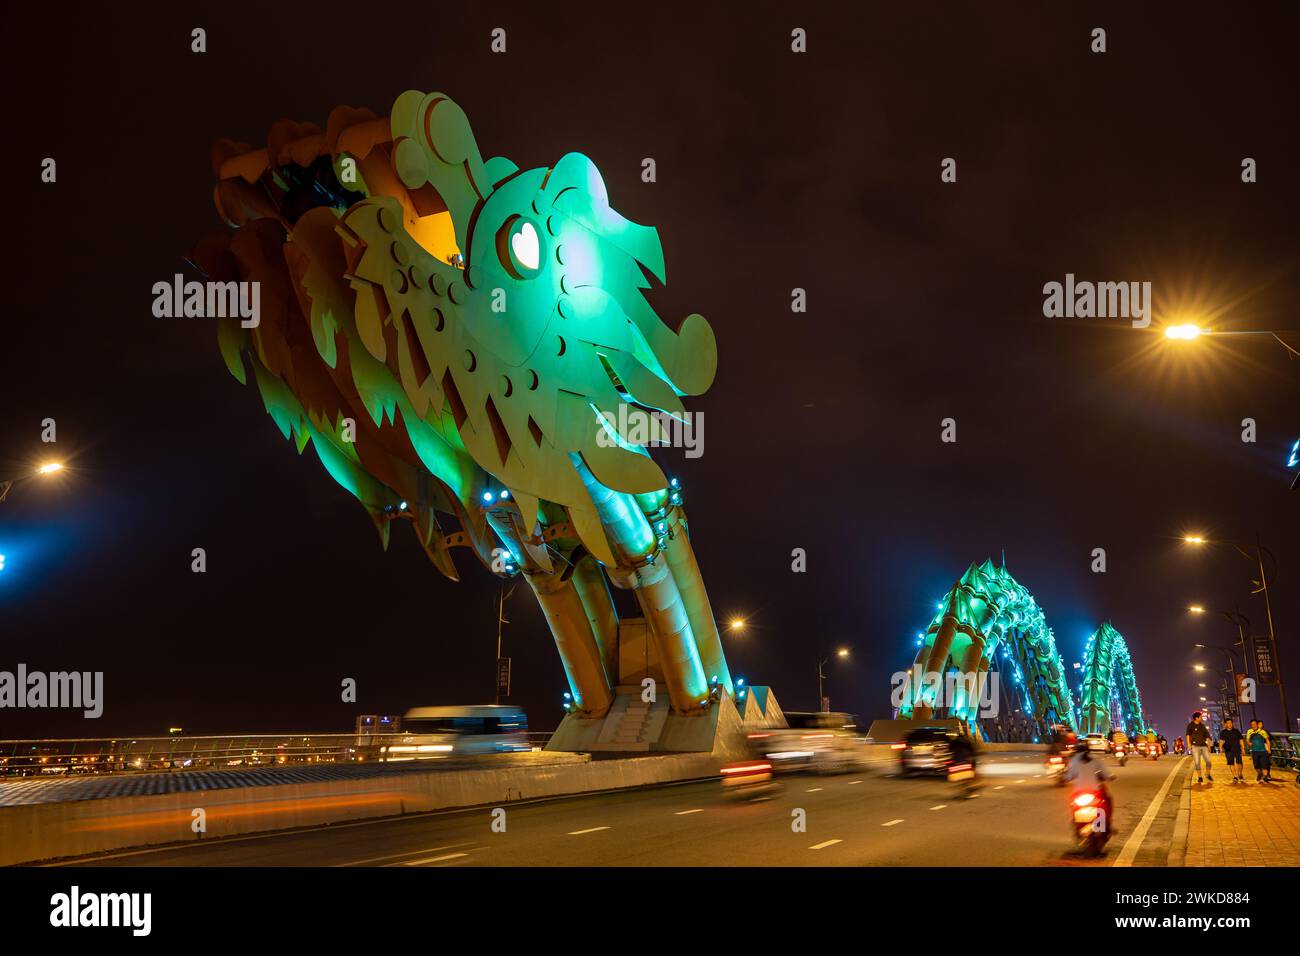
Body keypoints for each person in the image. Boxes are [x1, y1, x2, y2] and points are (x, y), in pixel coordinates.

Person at [1186, 712, 1212, 783]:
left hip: (1204, 746)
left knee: (1209, 762)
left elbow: (1207, 736)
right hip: (1195, 746)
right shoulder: (1190, 725)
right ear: (1196, 718)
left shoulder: (1202, 726)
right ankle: (1200, 777)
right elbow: (1187, 735)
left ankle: (1208, 774)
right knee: (1197, 762)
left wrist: (1209, 746)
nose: (1201, 718)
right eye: (1200, 717)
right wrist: (1189, 745)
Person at [1219, 717, 1245, 783]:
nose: (1230, 724)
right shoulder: (1223, 732)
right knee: (1231, 763)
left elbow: (1241, 739)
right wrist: (1220, 748)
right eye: (1228, 723)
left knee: (1239, 762)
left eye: (1231, 723)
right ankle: (1235, 776)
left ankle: (1240, 773)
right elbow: (1221, 741)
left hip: (1237, 749)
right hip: (1228, 750)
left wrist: (1243, 748)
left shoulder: (1236, 731)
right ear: (1225, 724)